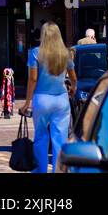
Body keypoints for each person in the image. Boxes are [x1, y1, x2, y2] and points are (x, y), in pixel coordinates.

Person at [19, 22, 77, 173]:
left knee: (41, 137)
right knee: (60, 138)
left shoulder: (35, 53)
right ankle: (58, 170)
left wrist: (27, 102)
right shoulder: (66, 53)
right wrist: (73, 89)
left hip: (42, 98)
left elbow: (32, 79)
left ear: (43, 35)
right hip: (61, 99)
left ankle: (41, 170)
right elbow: (73, 78)